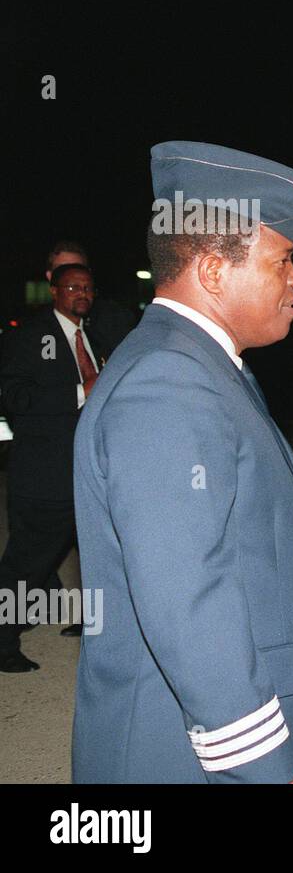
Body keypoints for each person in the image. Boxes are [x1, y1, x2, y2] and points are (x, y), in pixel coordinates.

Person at [71, 141, 293, 782]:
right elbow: (187, 600)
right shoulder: (167, 383)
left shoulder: (206, 365)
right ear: (215, 272)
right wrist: (269, 766)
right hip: (184, 755)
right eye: (283, 260)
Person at [0, 263, 113, 670]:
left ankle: (89, 621)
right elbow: (16, 397)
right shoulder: (30, 337)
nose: (82, 294)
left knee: (98, 551)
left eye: (88, 288)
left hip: (87, 472)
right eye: (73, 288)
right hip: (45, 475)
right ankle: (3, 642)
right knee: (27, 563)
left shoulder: (92, 336)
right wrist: (80, 391)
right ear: (54, 291)